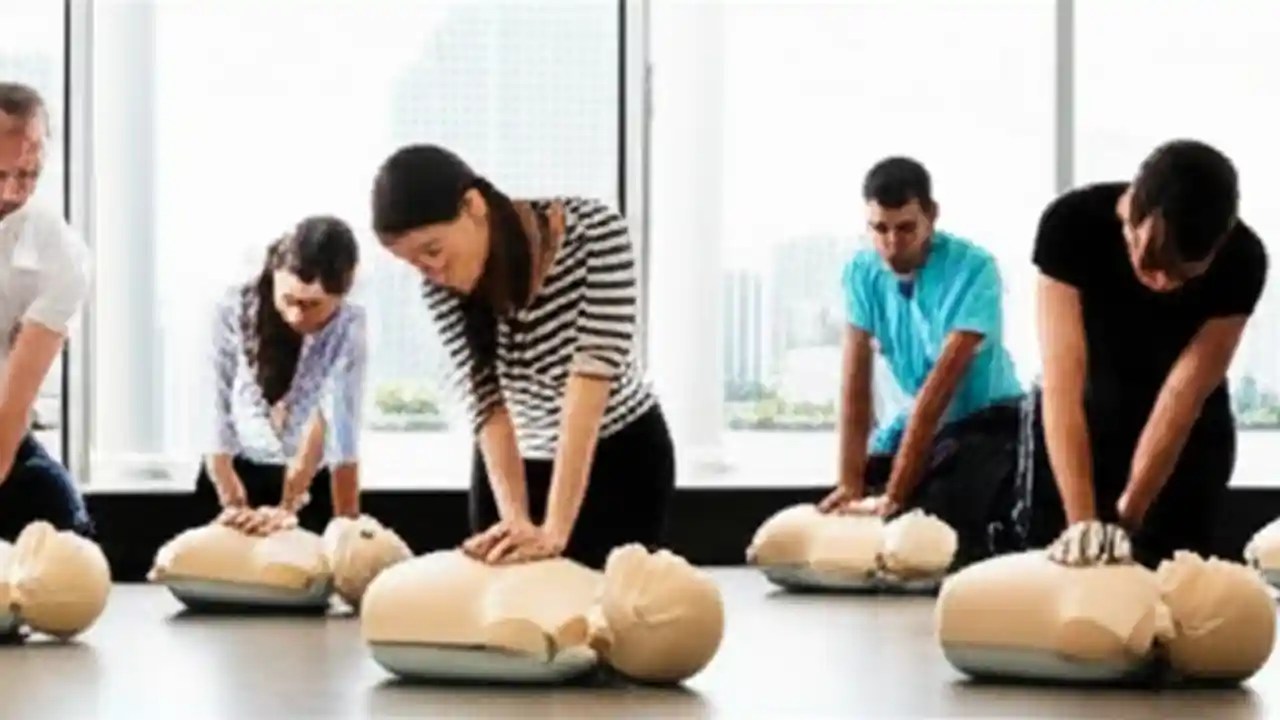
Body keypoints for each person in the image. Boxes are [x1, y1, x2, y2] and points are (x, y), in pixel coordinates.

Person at [371, 144, 674, 569]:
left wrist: (554, 530)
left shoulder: (595, 233)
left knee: (607, 615)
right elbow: (488, 406)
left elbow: (588, 384)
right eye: (414, 263)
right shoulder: (439, 289)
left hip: (617, 455)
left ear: (473, 205)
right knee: (503, 612)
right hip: (513, 464)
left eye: (433, 250)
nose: (430, 271)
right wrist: (514, 518)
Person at [1031, 139, 1267, 568]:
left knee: (1166, 582)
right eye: (1150, 264)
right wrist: (1083, 522)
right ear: (1131, 215)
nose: (1162, 283)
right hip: (1079, 424)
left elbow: (1182, 397)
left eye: (1182, 275)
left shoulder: (1243, 259)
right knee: (1068, 574)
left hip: (1183, 443)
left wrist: (1127, 520)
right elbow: (1063, 381)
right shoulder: (1071, 225)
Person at [818, 156, 1028, 566]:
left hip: (988, 420)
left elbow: (939, 389)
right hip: (925, 425)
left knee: (928, 505)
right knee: (863, 488)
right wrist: (849, 483)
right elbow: (856, 382)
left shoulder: (975, 269)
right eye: (880, 229)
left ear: (931, 217)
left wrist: (895, 498)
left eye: (905, 228)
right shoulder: (861, 272)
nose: (892, 244)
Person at [196, 215, 367, 536]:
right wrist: (232, 501)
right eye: (288, 300)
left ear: (343, 292)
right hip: (232, 470)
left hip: (307, 482)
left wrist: (349, 533)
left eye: (313, 305)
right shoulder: (232, 306)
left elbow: (341, 426)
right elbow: (214, 405)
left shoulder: (349, 325)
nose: (296, 316)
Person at [0, 82, 94, 541]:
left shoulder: (60, 255)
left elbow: (12, 406)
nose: (13, 192)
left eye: (29, 174)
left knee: (58, 513)